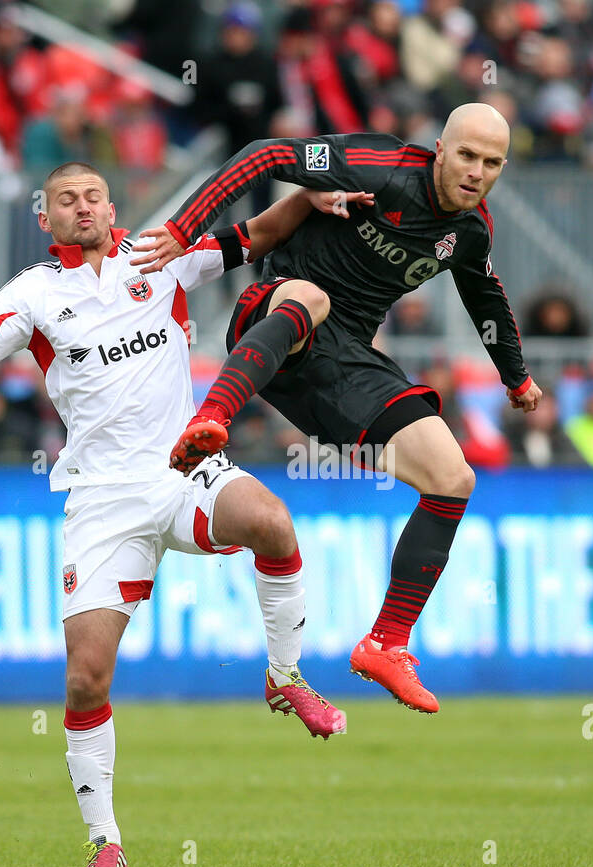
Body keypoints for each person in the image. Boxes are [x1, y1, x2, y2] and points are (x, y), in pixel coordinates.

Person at [0, 163, 359, 867]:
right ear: (46, 218)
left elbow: (256, 235)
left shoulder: (159, 256)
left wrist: (307, 196)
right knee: (84, 679)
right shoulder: (34, 294)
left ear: (112, 206)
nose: (83, 207)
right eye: (66, 200)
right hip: (101, 500)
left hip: (183, 469)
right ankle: (106, 843)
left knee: (270, 519)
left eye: (94, 196)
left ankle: (286, 675)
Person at [128, 103, 543, 715]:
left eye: (492, 163)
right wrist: (186, 226)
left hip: (344, 366)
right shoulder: (382, 166)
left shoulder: (471, 231)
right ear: (439, 148)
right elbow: (267, 154)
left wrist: (517, 378)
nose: (477, 171)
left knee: (453, 478)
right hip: (275, 316)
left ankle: (386, 643)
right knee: (312, 297)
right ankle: (210, 418)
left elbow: (485, 293)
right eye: (467, 155)